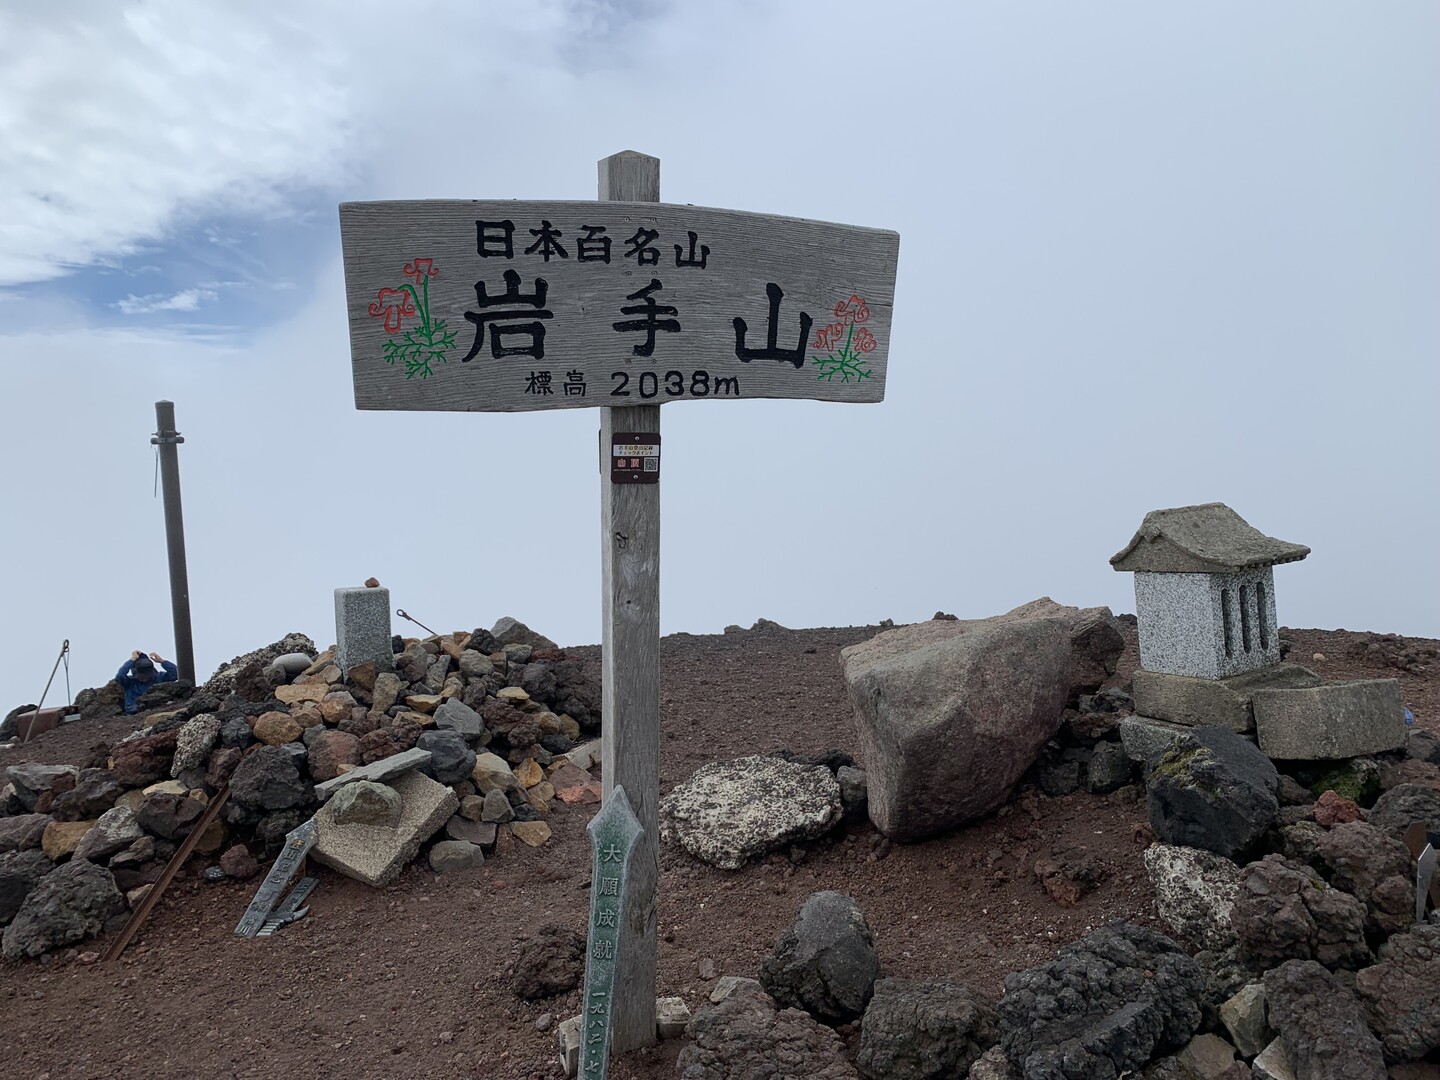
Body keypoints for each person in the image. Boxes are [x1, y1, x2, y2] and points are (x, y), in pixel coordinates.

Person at [116, 650, 178, 715]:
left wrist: (162, 661)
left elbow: (176, 673)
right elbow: (120, 676)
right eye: (141, 676)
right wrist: (132, 660)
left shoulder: (159, 678)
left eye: (146, 676)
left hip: (156, 710)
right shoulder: (129, 682)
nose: (144, 678)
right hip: (134, 714)